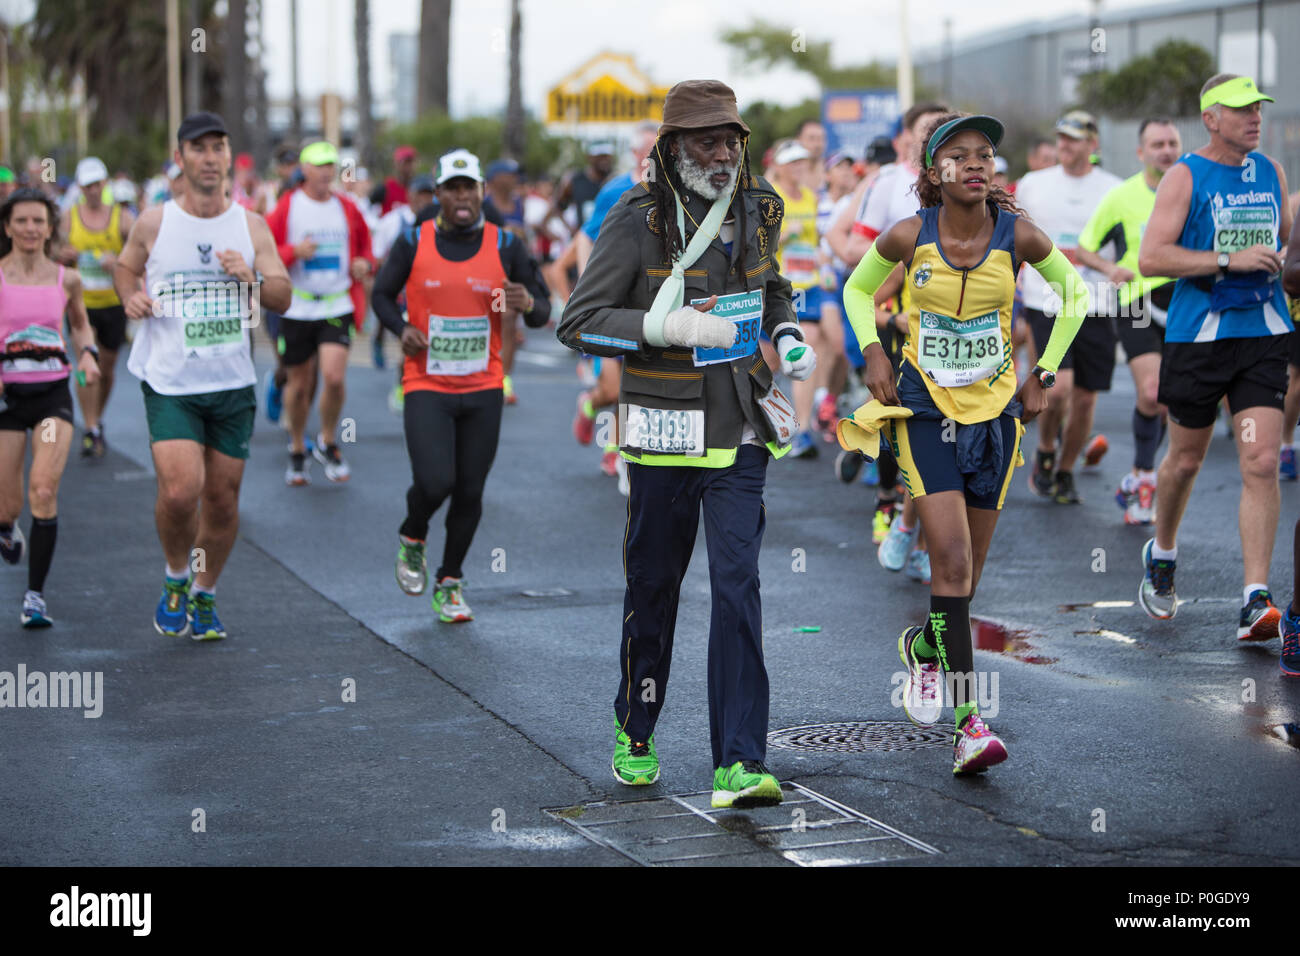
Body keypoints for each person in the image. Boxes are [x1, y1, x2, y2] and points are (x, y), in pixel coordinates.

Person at [558, 79, 818, 808]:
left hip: (740, 424)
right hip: (662, 429)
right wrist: (666, 328)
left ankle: (738, 761)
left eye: (731, 137)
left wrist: (788, 333)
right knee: (654, 587)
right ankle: (636, 726)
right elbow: (578, 322)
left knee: (738, 587)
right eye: (706, 139)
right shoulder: (637, 218)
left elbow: (772, 285)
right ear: (673, 148)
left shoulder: (761, 205)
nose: (723, 151)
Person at [841, 113, 1089, 774]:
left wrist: (1043, 374)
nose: (976, 165)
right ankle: (968, 723)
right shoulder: (908, 235)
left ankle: (926, 645)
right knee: (948, 562)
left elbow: (1076, 295)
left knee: (964, 580)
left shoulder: (1019, 236)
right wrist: (871, 351)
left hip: (997, 419)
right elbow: (857, 289)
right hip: (925, 412)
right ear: (934, 173)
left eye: (985, 155)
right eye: (959, 156)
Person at [114, 111, 292, 640]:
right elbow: (125, 266)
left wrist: (253, 276)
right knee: (179, 493)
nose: (209, 157)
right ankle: (176, 575)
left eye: (218, 148)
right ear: (180, 159)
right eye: (198, 148)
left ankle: (205, 590)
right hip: (171, 383)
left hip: (232, 383)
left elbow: (284, 294)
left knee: (222, 500)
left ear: (227, 158)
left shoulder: (250, 224)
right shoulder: (155, 221)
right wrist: (131, 296)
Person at [1137, 74, 1293, 642]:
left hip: (1264, 332)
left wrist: (1276, 264)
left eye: (1258, 109)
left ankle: (1255, 598)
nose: (1255, 118)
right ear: (1210, 118)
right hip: (1199, 338)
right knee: (1184, 462)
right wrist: (1228, 259)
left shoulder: (1271, 172)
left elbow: (1282, 242)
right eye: (1242, 110)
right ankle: (1164, 549)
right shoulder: (1185, 177)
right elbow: (1152, 257)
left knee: (1259, 461)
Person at [371, 149, 550, 623]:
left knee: (470, 489)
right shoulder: (413, 241)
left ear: (481, 192)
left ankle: (449, 581)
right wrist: (401, 328)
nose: (462, 196)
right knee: (436, 480)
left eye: (469, 186)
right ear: (439, 195)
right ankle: (413, 533)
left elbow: (542, 311)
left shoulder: (506, 246)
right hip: (427, 381)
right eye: (451, 188)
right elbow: (381, 295)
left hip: (484, 384)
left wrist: (527, 300)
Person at [0, 189, 100, 626]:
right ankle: (5, 527)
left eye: (38, 221)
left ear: (49, 227)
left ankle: (35, 597)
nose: (29, 228)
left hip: (51, 397)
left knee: (43, 489)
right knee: (7, 507)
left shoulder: (67, 279)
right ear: (7, 227)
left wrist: (88, 353)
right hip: (6, 399)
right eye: (21, 221)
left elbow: (79, 324)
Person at [1074, 118, 1182, 525]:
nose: (1166, 150)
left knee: (1174, 398)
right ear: (1141, 152)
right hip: (1136, 300)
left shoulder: (1193, 190)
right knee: (1152, 393)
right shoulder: (1121, 197)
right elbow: (1085, 249)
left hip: (1186, 300)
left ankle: (1139, 474)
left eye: (1172, 142)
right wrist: (1110, 267)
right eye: (1157, 143)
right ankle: (1148, 478)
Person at [1016, 110, 1121, 504]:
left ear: (1092, 144)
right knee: (1057, 390)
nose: (1064, 144)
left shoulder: (1113, 188)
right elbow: (1011, 228)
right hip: (1046, 300)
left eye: (1074, 138)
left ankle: (1064, 470)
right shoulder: (1032, 184)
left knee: (1086, 398)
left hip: (1098, 302)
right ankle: (1045, 449)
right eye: (1061, 137)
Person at [265, 141, 373, 486]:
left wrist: (363, 264)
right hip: (298, 305)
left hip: (336, 303)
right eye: (320, 165)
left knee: (335, 376)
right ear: (305, 170)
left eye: (331, 165)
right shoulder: (288, 206)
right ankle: (298, 447)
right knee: (300, 385)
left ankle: (327, 439)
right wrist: (294, 251)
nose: (327, 171)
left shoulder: (347, 207)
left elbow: (365, 245)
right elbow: (266, 251)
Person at [57, 156, 135, 459]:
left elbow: (138, 255)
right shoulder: (68, 217)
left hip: (113, 303)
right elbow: (51, 251)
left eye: (97, 185)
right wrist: (62, 253)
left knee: (107, 368)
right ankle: (89, 426)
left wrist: (118, 262)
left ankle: (96, 418)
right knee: (84, 365)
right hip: (80, 304)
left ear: (104, 185)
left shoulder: (122, 218)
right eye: (87, 185)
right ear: (80, 187)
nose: (92, 190)